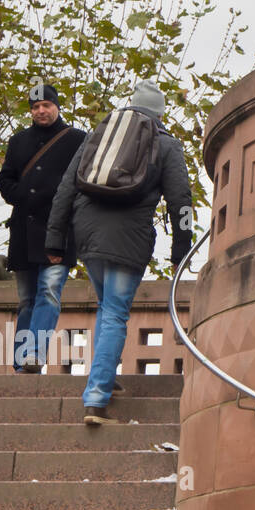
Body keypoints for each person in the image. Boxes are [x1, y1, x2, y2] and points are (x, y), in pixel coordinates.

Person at [46, 79, 192, 424]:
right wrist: (181, 249)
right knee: (114, 313)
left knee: (106, 308)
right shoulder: (166, 144)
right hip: (129, 238)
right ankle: (96, 400)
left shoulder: (101, 134)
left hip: (88, 235)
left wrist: (55, 238)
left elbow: (67, 186)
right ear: (159, 114)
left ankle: (105, 376)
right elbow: (181, 200)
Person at [0, 84, 86, 372]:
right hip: (23, 231)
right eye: (35, 107)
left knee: (48, 291)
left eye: (46, 105)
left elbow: (85, 182)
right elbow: (5, 180)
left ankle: (35, 354)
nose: (40, 111)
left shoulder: (78, 139)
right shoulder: (18, 141)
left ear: (56, 106)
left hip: (59, 232)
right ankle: (21, 363)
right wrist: (25, 196)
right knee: (26, 300)